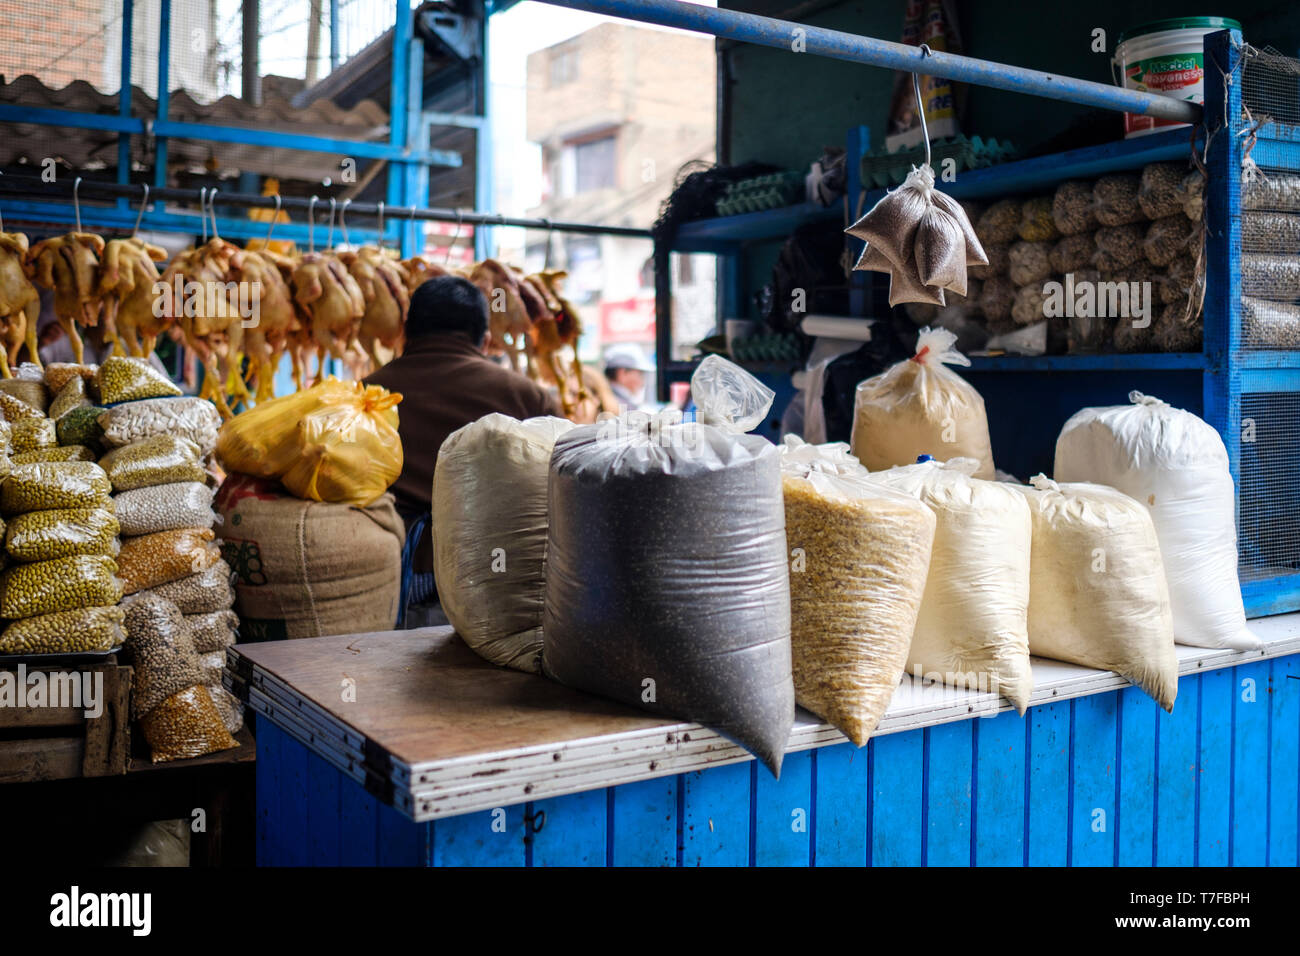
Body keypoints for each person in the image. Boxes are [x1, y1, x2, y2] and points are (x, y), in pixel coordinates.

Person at [364, 275, 561, 616]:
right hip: (497, 576)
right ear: (485, 340)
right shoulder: (529, 397)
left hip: (393, 576)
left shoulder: (363, 396)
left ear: (405, 334)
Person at [603, 343, 655, 411]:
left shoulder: (608, 398)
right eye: (640, 374)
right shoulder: (616, 405)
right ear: (622, 373)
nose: (642, 381)